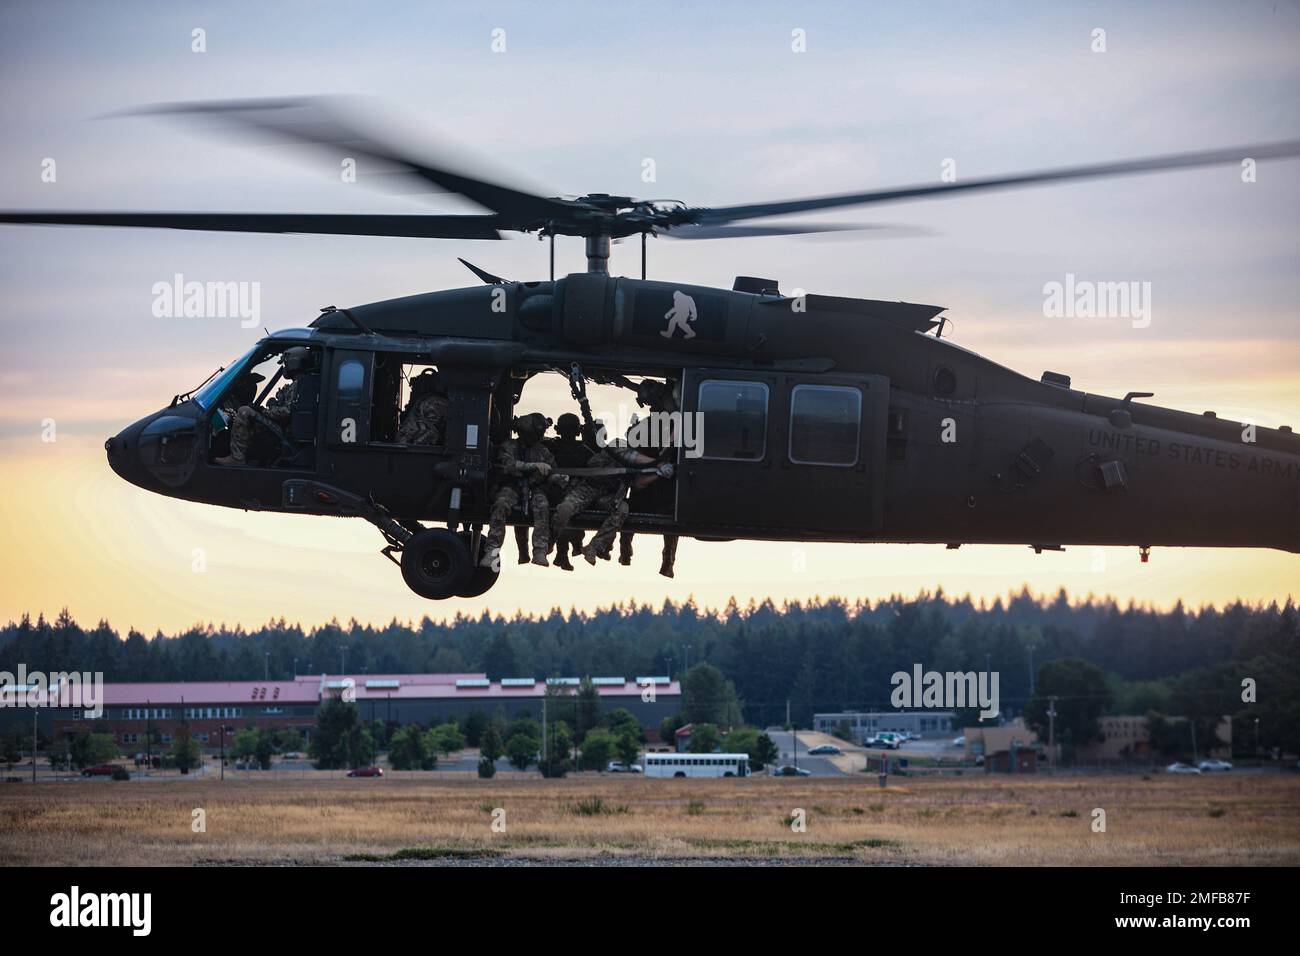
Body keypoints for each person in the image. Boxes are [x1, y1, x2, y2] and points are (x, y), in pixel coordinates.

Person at [552, 424, 672, 566]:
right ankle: (550, 541)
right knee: (565, 509)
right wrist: (659, 464)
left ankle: (594, 547)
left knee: (622, 509)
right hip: (589, 489)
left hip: (608, 496)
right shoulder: (617, 445)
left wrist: (659, 474)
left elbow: (638, 483)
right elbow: (630, 456)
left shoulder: (642, 460)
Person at [482, 413, 565, 570]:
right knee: (501, 504)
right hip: (512, 486)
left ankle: (540, 551)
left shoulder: (543, 451)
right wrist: (533, 466)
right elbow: (506, 466)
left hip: (535, 488)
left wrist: (558, 478)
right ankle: (492, 551)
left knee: (542, 506)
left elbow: (551, 471)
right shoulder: (509, 446)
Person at [619, 378, 682, 578]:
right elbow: (633, 470)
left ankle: (666, 560)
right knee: (628, 507)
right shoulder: (647, 430)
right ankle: (626, 551)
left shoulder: (675, 427)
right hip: (647, 490)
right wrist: (659, 468)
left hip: (663, 491)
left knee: (672, 516)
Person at [215, 348, 310, 466]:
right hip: (283, 428)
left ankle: (237, 458)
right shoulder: (300, 384)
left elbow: (287, 412)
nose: (285, 368)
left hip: (283, 432)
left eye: (286, 364)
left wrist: (263, 411)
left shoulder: (299, 385)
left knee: (244, 411)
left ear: (294, 363)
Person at [544, 413, 594, 571]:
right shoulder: (553, 446)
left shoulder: (581, 450)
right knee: (566, 512)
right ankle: (564, 553)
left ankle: (563, 554)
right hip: (558, 492)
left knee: (567, 511)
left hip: (570, 494)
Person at [396, 368, 448, 446]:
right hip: (410, 444)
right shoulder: (437, 402)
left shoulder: (428, 398)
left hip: (405, 441)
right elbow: (432, 432)